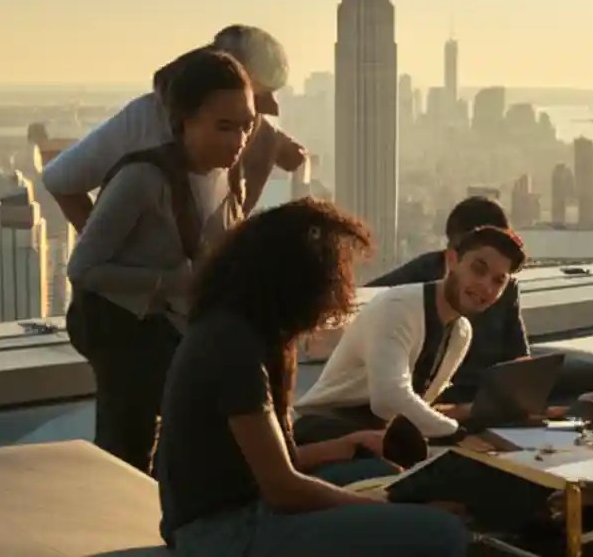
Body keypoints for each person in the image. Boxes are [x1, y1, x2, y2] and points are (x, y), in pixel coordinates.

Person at [156, 198, 469, 556]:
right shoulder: (232, 346)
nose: (338, 292)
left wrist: (349, 443)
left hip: (237, 510)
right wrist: (389, 509)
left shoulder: (243, 330)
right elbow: (283, 489)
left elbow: (274, 462)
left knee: (376, 471)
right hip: (221, 533)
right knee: (443, 531)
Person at [66, 49, 256, 472]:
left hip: (172, 324)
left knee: (181, 431)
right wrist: (170, 280)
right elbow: (82, 269)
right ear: (184, 121)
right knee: (127, 446)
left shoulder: (228, 175)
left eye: (246, 126)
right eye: (224, 127)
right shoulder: (143, 179)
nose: (239, 141)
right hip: (122, 328)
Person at [42, 24, 306, 232]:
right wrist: (111, 250)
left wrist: (274, 144)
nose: (269, 106)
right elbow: (59, 180)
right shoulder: (144, 119)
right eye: (258, 92)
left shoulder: (255, 131)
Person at [295, 226, 528, 441]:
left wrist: (492, 411)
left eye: (498, 281)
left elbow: (419, 410)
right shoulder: (398, 307)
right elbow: (388, 401)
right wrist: (456, 433)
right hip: (326, 431)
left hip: (384, 437)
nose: (486, 286)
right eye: (478, 269)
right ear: (451, 260)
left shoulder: (461, 332)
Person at [367, 196, 593, 403]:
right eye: (479, 267)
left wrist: (527, 397)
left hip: (492, 390)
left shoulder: (506, 287)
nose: (487, 285)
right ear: (454, 254)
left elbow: (518, 357)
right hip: (439, 395)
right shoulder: (412, 285)